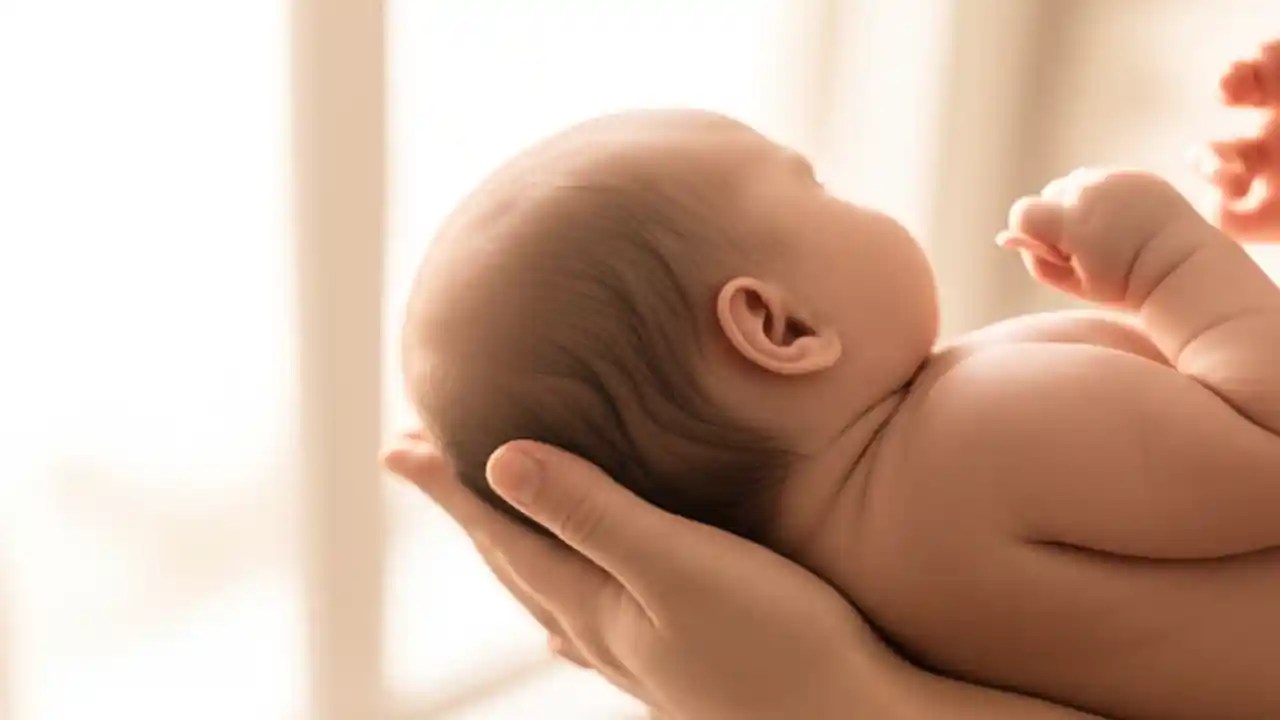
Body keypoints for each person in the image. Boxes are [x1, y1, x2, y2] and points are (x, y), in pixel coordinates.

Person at [383, 40, 1280, 720]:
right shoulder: (977, 431)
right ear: (782, 328)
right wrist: (1168, 266)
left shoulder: (836, 588)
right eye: (818, 187)